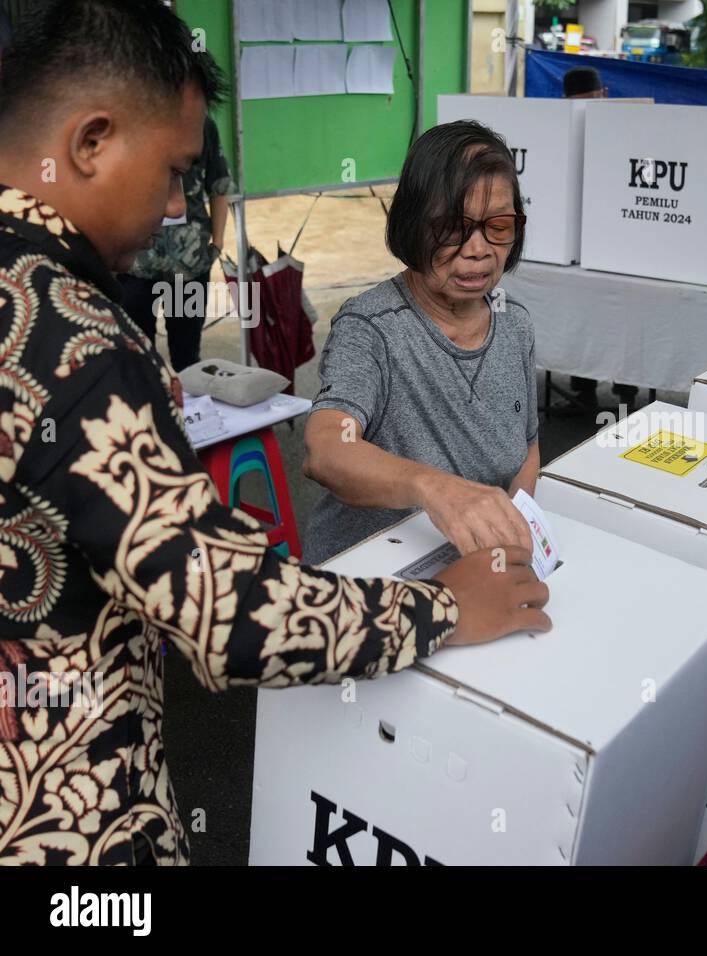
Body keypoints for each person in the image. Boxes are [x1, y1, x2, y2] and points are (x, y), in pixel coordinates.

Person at [0, 0, 548, 866]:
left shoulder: (515, 326)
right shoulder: (72, 337)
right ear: (91, 142)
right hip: (66, 819)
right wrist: (446, 606)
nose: (182, 203)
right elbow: (233, 614)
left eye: (500, 227)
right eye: (177, 170)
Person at [302, 121, 540, 565]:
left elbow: (527, 447)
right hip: (371, 574)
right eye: (452, 228)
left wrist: (511, 532)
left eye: (499, 226)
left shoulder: (515, 325)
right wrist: (433, 487)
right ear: (413, 224)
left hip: (474, 567)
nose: (478, 249)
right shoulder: (371, 328)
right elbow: (327, 446)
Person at [116, 112, 230, 371]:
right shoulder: (127, 120)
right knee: (138, 357)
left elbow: (219, 184)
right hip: (137, 265)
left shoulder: (201, 124)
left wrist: (218, 242)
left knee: (187, 357)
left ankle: (189, 412)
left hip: (188, 265)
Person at [561, 65, 639, 411]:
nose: (587, 111)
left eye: (591, 101)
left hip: (621, 238)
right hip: (578, 240)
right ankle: (583, 388)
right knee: (581, 315)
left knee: (625, 318)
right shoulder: (562, 131)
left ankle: (627, 392)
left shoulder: (628, 128)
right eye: (579, 105)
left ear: (604, 95)